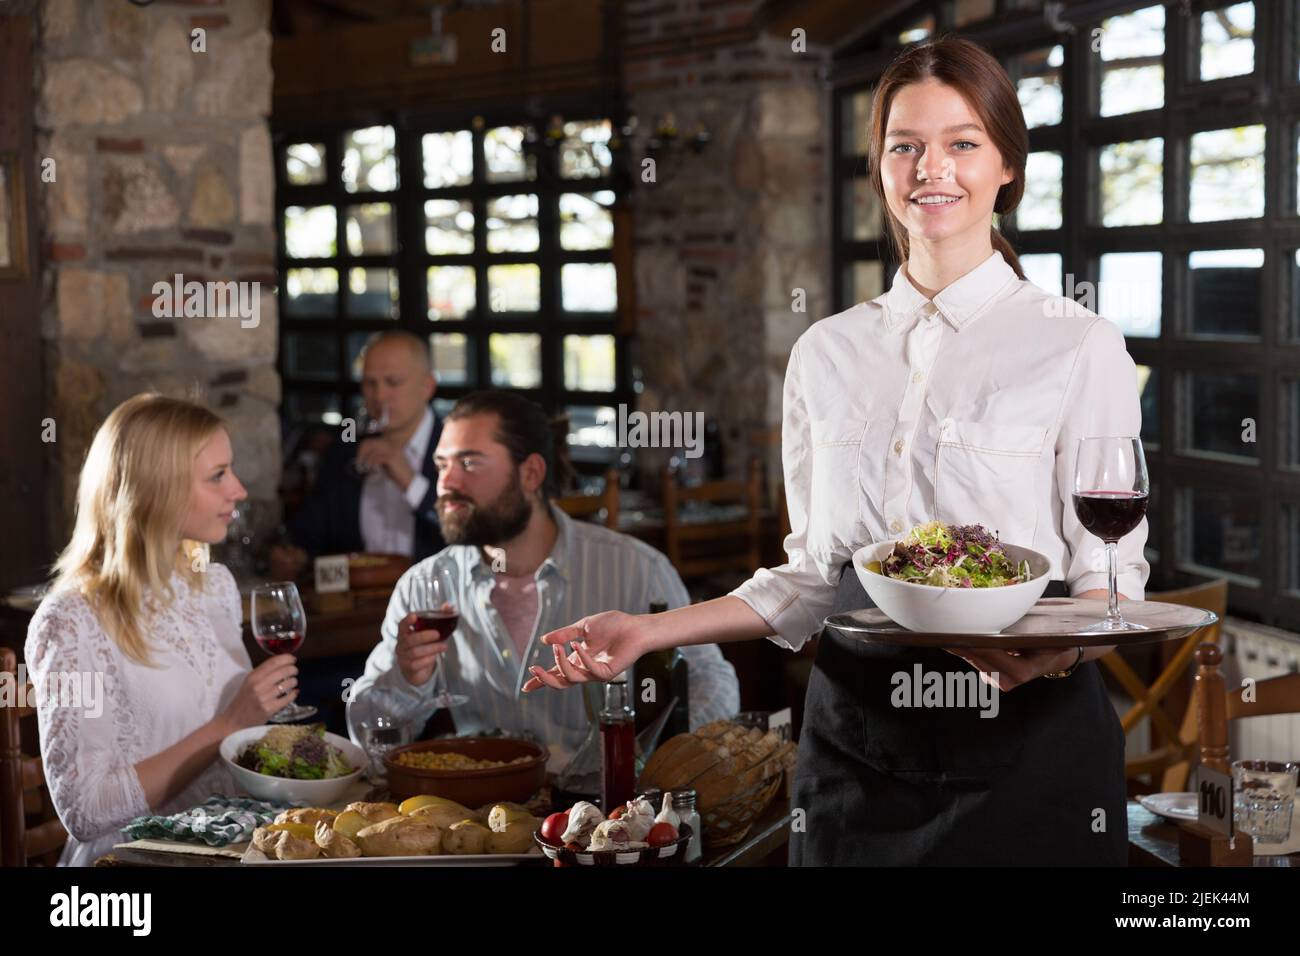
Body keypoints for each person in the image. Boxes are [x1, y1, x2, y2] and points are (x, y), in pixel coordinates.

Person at [522, 35, 1149, 865]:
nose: (933, 169)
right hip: (858, 755)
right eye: (906, 146)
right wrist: (646, 630)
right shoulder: (825, 353)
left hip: (1028, 753)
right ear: (881, 168)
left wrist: (1056, 651)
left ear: (1007, 166)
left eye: (963, 143)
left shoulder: (1078, 344)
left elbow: (1113, 578)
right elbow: (812, 579)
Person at [346, 390, 740, 772]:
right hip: (482, 822)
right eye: (441, 464)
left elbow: (715, 683)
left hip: (605, 815)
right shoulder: (423, 586)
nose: (446, 484)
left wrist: (653, 760)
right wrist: (407, 680)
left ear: (531, 473)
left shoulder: (637, 569)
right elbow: (365, 735)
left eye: (469, 463)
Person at [25, 394, 301, 866]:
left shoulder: (215, 586)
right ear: (156, 489)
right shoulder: (69, 620)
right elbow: (85, 812)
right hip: (132, 863)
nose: (238, 490)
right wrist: (229, 726)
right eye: (217, 476)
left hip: (232, 848)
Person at [271, 330, 445, 579]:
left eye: (393, 382)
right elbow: (310, 531)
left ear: (427, 386)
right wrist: (294, 555)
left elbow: (476, 535)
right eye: (370, 383)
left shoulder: (457, 449)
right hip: (359, 611)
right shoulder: (347, 449)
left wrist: (411, 482)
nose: (380, 396)